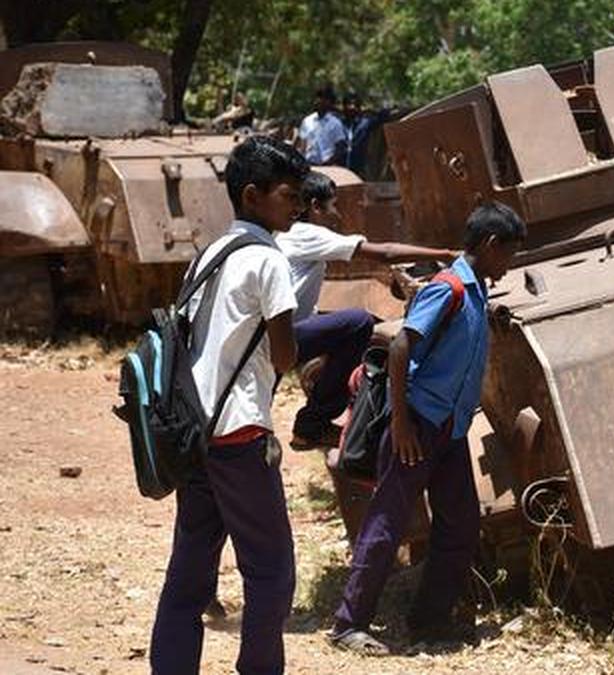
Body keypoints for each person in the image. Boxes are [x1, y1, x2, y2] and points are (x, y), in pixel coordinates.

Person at [327, 203, 526, 656]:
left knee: (460, 524)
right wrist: (400, 423)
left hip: (449, 429)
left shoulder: (476, 292)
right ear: (491, 246)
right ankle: (348, 623)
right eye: (509, 253)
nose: (509, 263)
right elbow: (401, 346)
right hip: (417, 426)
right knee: (387, 522)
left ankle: (430, 620)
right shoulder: (449, 287)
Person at [150, 136, 308, 674]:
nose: (298, 205)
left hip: (194, 435)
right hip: (240, 434)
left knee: (190, 572)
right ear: (253, 195)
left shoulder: (210, 254)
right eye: (289, 195)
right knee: (271, 571)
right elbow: (285, 355)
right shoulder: (267, 258)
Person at [276, 171, 458, 448]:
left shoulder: (286, 235)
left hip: (279, 332)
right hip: (280, 336)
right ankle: (313, 425)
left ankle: (315, 420)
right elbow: (385, 252)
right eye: (332, 205)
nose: (336, 215)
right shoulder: (306, 234)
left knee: (352, 327)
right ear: (314, 206)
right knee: (359, 323)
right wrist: (445, 254)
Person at [297, 84, 348, 166]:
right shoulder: (307, 121)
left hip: (328, 167)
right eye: (318, 97)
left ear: (329, 102)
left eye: (323, 98)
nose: (319, 101)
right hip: (309, 165)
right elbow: (302, 145)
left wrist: (328, 163)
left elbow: (341, 149)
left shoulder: (335, 124)